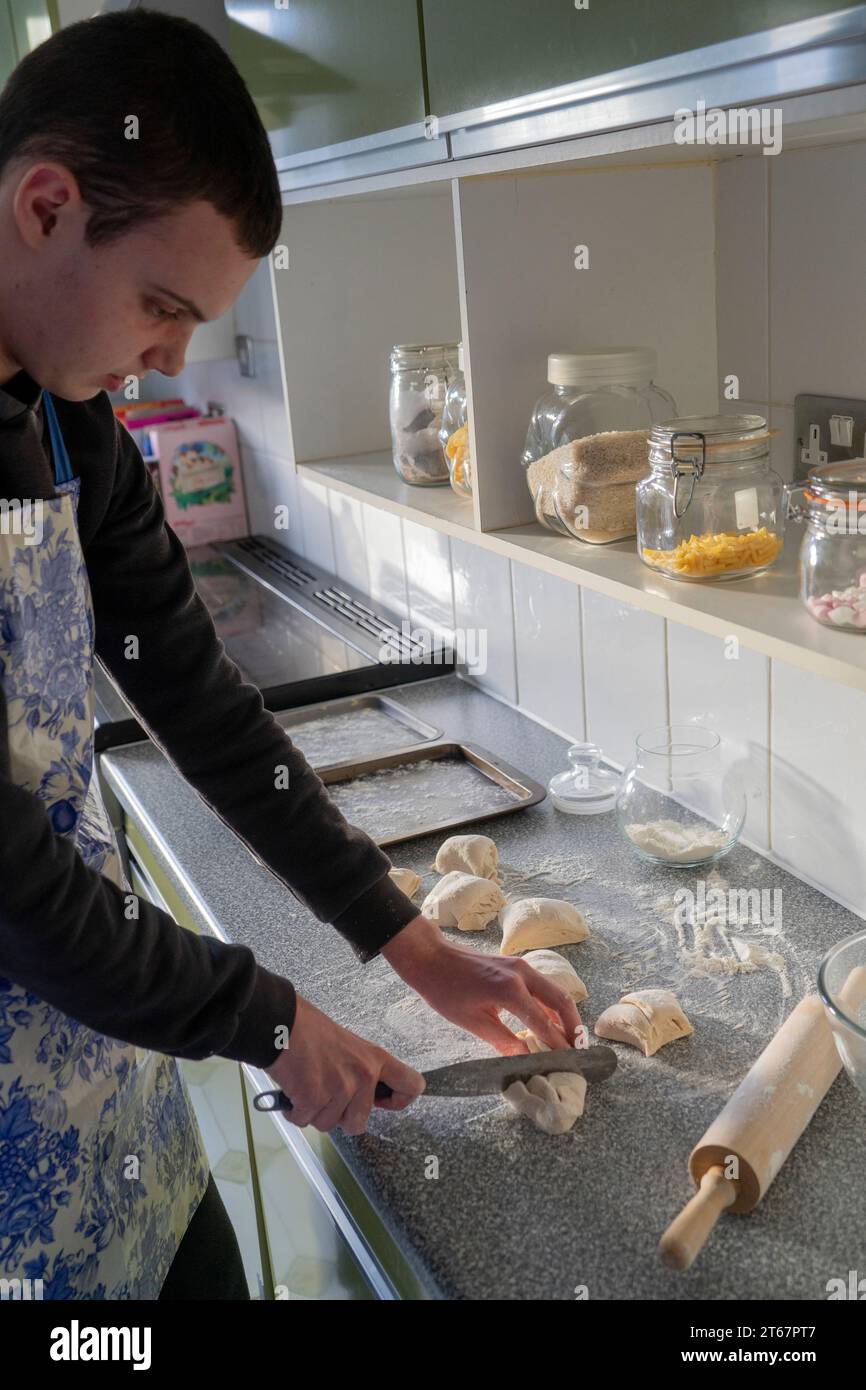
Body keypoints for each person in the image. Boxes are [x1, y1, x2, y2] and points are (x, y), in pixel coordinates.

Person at [0, 10, 579, 1301]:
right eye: (160, 305)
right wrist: (261, 1015)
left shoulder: (64, 410)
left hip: (96, 1053)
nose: (171, 357)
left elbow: (195, 692)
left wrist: (405, 938)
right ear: (46, 204)